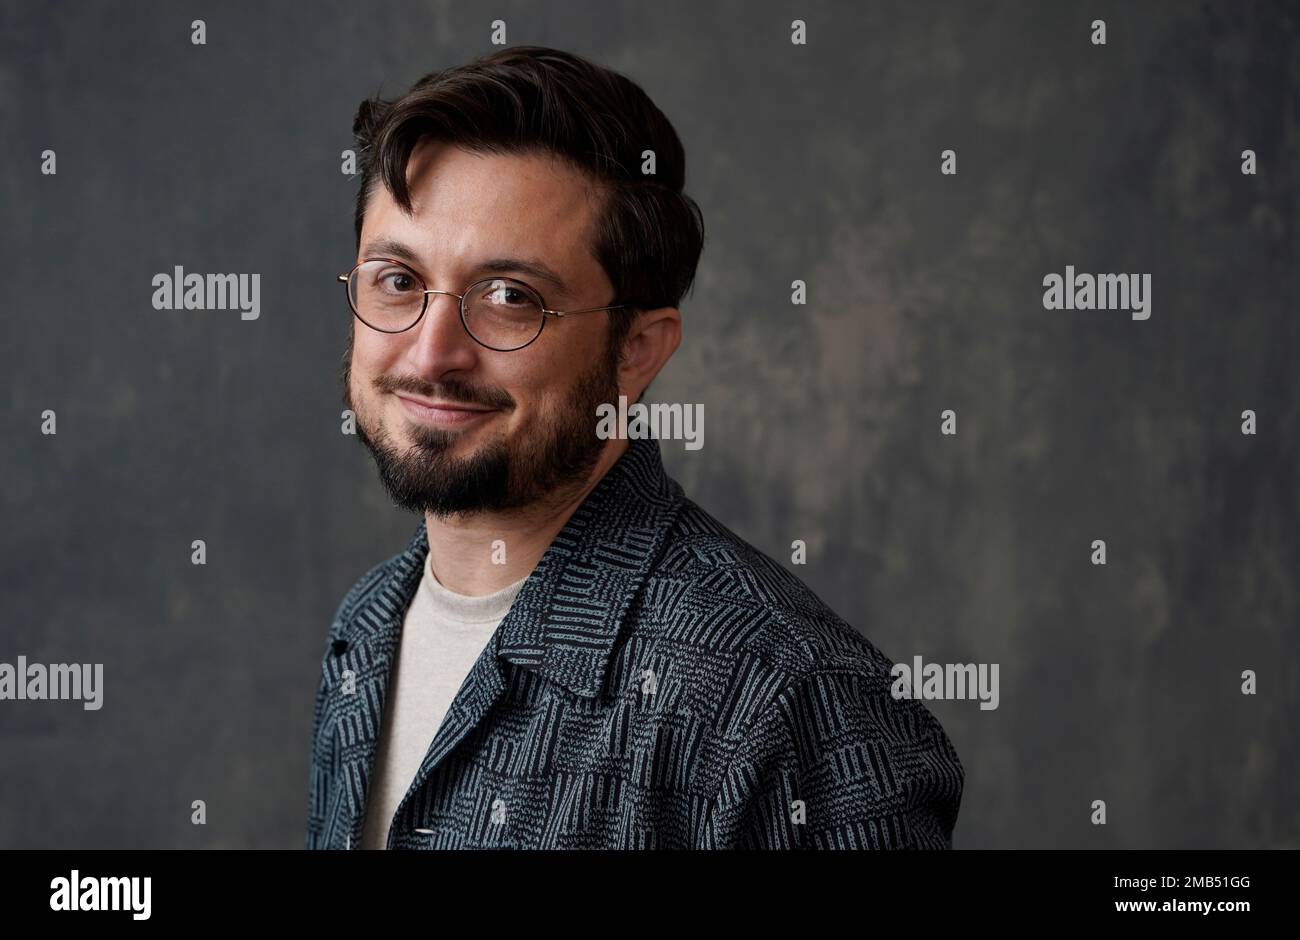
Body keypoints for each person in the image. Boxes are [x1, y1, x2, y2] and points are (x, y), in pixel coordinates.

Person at [306, 45, 963, 850]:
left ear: (638, 350)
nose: (431, 352)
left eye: (512, 297)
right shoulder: (366, 628)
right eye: (398, 280)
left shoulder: (788, 705)